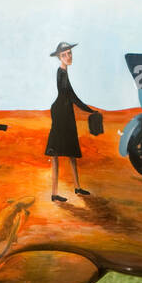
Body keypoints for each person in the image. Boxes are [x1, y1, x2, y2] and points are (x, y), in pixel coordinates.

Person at [45, 41, 95, 200]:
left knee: (71, 152)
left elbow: (71, 96)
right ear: (59, 57)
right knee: (56, 154)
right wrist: (89, 110)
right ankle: (55, 193)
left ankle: (77, 187)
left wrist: (88, 110)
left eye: (69, 53)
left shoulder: (64, 72)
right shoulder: (61, 72)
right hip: (61, 113)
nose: (68, 56)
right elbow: (70, 95)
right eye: (64, 55)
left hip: (66, 112)